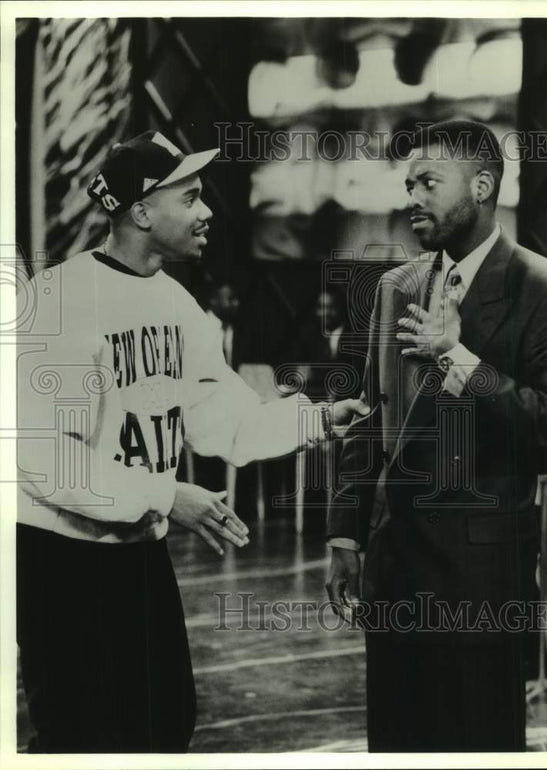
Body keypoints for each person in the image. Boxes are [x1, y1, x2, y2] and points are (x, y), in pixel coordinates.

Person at [16, 130, 368, 753]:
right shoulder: (60, 300)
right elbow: (46, 461)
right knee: (81, 740)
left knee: (164, 728)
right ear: (143, 210)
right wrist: (167, 494)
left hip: (138, 554)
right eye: (192, 197)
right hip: (61, 562)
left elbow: (225, 422)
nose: (207, 213)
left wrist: (319, 418)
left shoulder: (178, 305)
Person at [325, 120, 547, 752]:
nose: (412, 196)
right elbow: (370, 415)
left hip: (479, 583)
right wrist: (344, 534)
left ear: (483, 184)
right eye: (408, 183)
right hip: (393, 575)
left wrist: (457, 358)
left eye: (429, 183)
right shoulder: (395, 287)